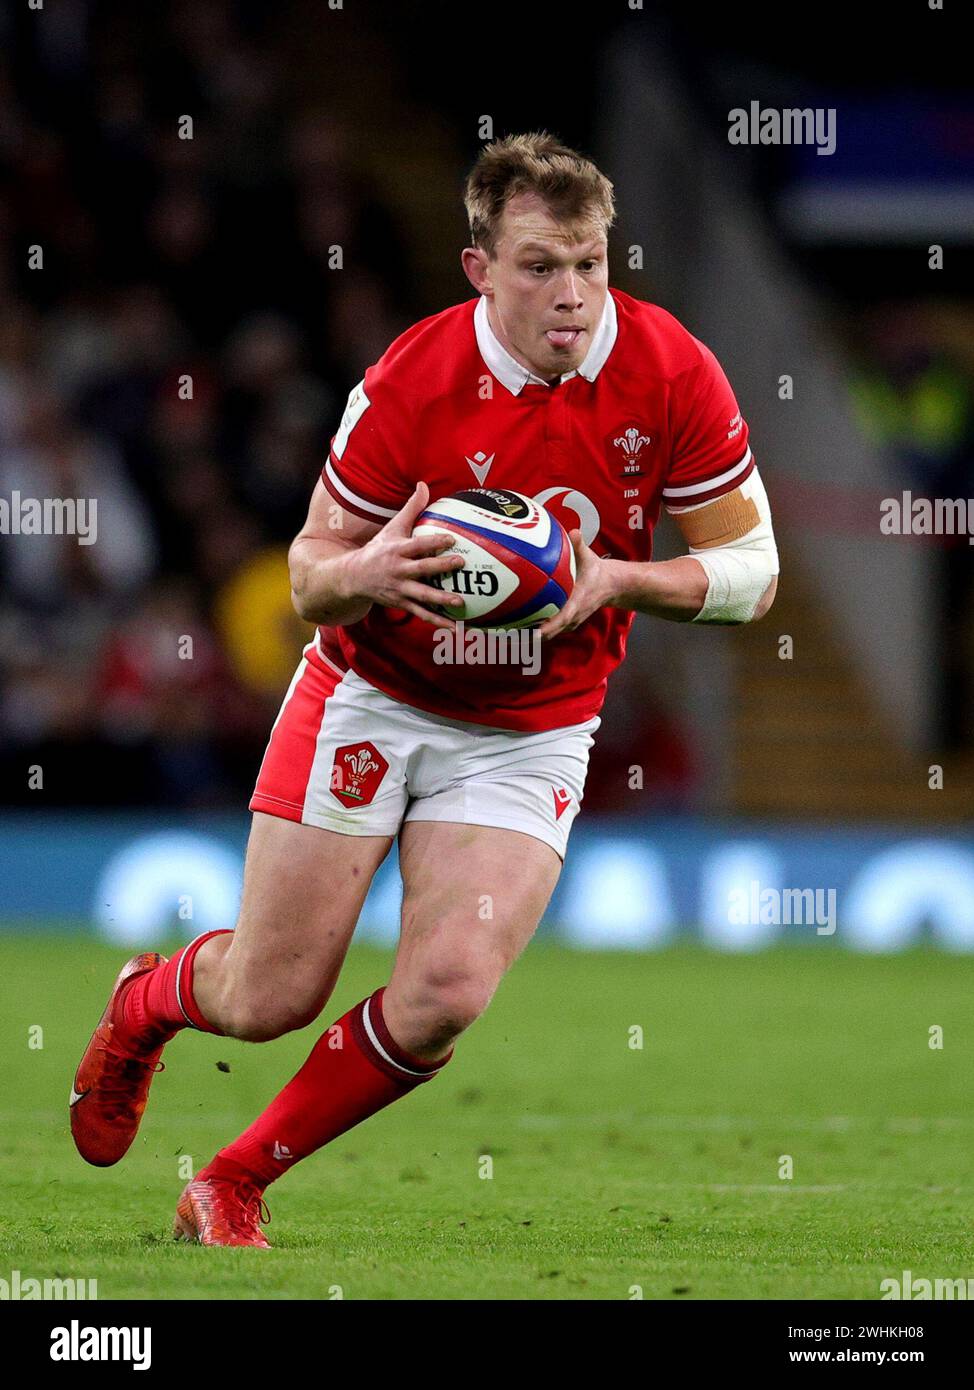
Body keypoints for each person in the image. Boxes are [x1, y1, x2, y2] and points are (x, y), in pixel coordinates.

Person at [70, 133, 779, 1246]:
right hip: (374, 693)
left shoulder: (670, 368)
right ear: (478, 268)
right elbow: (307, 572)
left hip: (532, 727)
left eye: (590, 263)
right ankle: (142, 1003)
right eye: (540, 265)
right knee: (267, 997)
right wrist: (363, 574)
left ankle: (233, 1180)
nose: (573, 294)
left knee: (447, 992)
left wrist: (616, 580)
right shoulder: (410, 379)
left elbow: (752, 572)